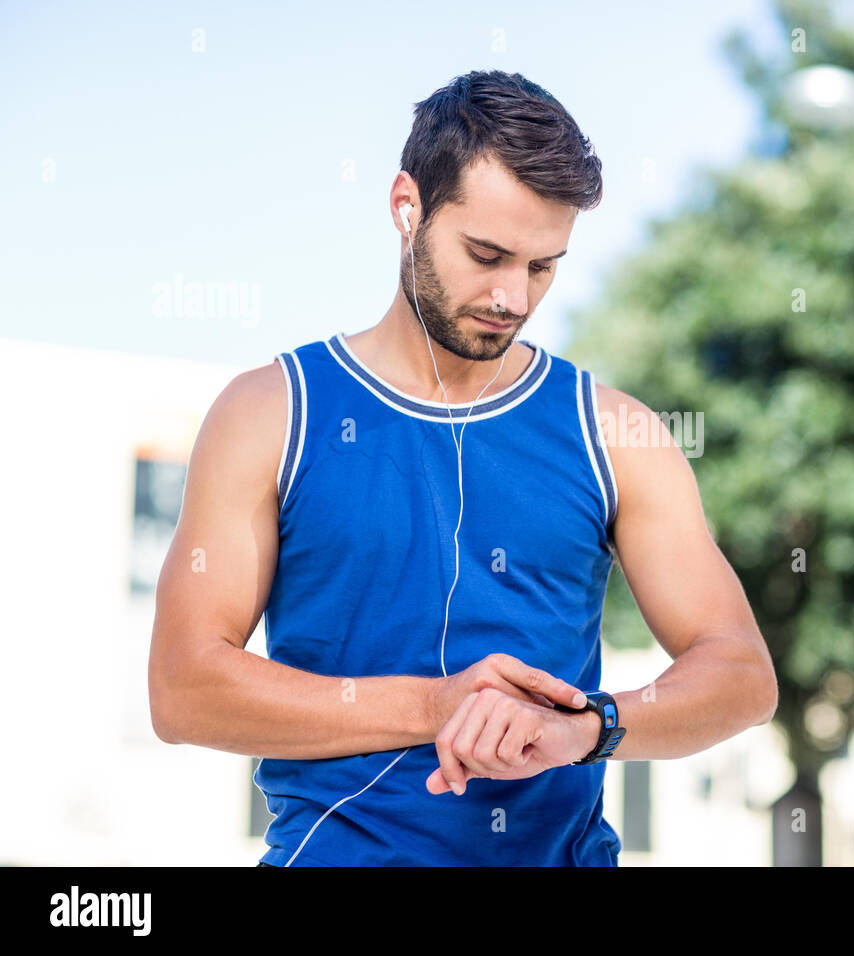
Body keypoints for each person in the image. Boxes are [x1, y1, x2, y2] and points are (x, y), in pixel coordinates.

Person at [148, 69, 777, 867]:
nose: (514, 296)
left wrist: (586, 728)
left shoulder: (615, 433)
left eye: (544, 266)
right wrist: (437, 704)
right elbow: (182, 688)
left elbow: (742, 674)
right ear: (406, 207)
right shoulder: (269, 413)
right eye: (487, 254)